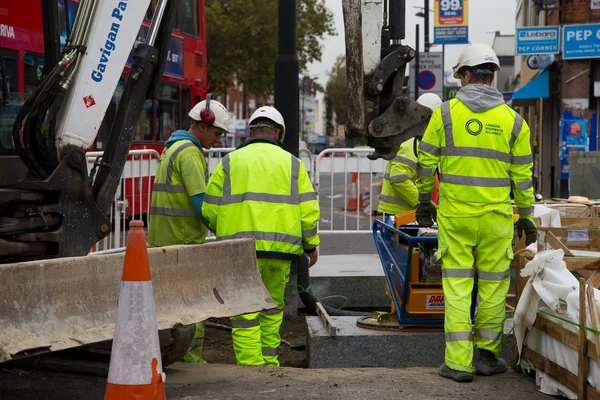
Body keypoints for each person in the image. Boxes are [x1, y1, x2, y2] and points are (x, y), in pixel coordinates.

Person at [415, 43, 537, 383]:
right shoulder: (514, 121)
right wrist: (525, 216)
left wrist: (425, 201)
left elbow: (426, 162)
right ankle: (486, 356)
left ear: (465, 75)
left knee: (457, 288)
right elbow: (523, 176)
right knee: (495, 287)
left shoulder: (445, 114)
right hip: (497, 219)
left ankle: (457, 363)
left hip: (456, 218)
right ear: (493, 76)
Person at [202, 106, 320, 367]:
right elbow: (309, 211)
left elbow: (209, 209)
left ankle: (250, 370)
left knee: (244, 314)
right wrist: (311, 245)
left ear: (250, 132)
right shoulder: (294, 164)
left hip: (238, 253)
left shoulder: (230, 162)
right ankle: (269, 365)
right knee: (272, 309)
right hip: (280, 255)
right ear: (277, 132)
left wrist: (224, 232)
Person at [148, 94, 230, 364]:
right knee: (195, 304)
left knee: (169, 303)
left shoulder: (172, 147)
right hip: (184, 240)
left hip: (163, 238)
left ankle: (169, 354)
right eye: (217, 133)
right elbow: (200, 204)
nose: (217, 140)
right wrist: (225, 229)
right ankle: (191, 357)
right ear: (203, 125)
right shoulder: (191, 153)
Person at [378, 93, 443, 218]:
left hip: (404, 212)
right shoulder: (410, 142)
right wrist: (423, 204)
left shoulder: (416, 139)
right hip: (401, 214)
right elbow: (399, 178)